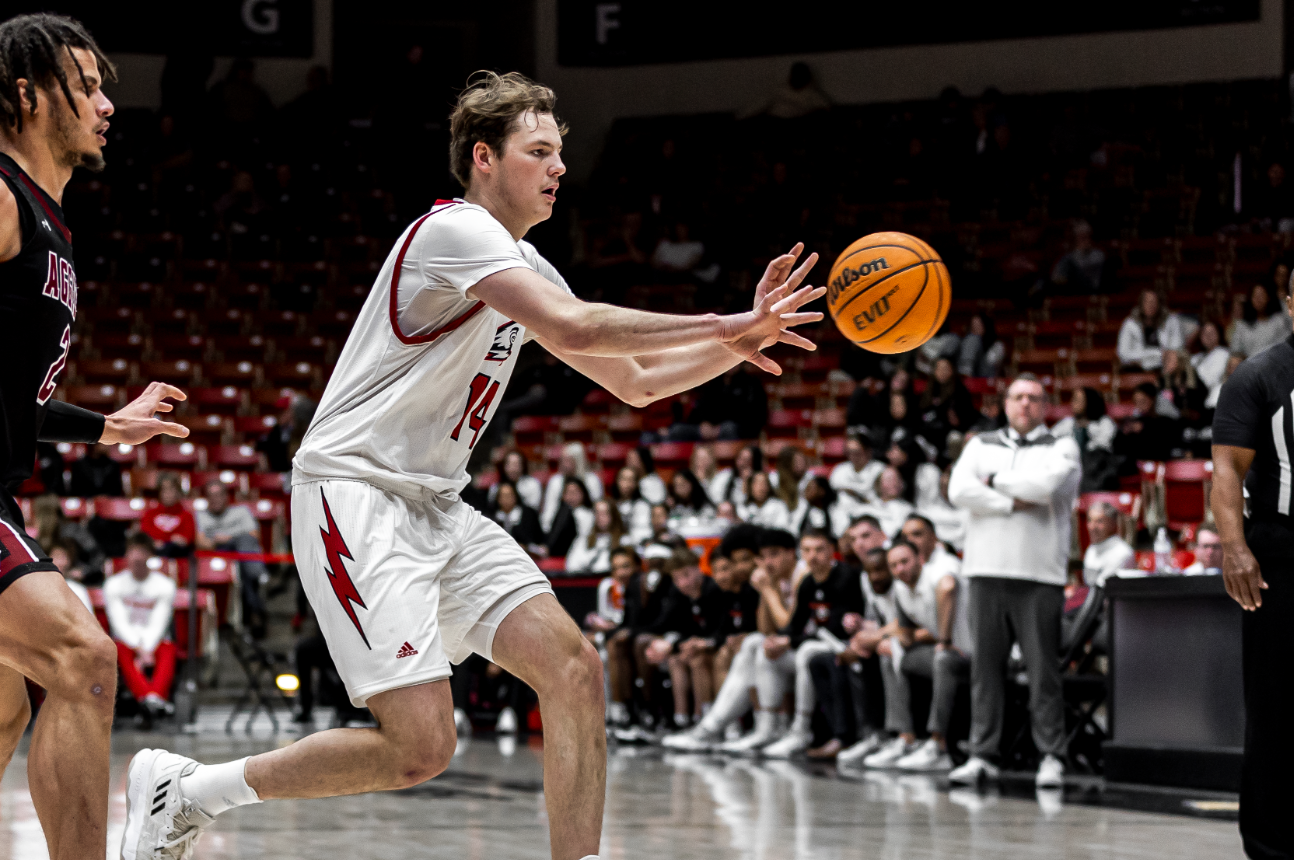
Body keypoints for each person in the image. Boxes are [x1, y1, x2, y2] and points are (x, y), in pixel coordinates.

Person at [125, 70, 825, 860]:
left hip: (436, 503)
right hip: (354, 494)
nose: (560, 166)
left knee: (573, 669)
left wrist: (734, 347)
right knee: (420, 748)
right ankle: (186, 793)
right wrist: (729, 320)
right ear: (484, 158)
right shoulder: (453, 232)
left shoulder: (524, 263)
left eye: (561, 151)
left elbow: (635, 384)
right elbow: (580, 329)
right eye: (539, 151)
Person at [0, 15, 190, 860]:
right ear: (26, 94)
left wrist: (102, 425)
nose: (108, 103)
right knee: (82, 657)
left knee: (10, 697)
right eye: (86, 85)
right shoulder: (0, 195)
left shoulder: (48, 219)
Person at [947, 374, 1081, 789]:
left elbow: (1043, 487)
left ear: (1045, 406)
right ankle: (982, 754)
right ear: (1004, 403)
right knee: (985, 669)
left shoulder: (1063, 444)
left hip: (1040, 573)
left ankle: (1051, 755)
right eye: (1018, 397)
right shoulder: (978, 444)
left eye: (1034, 398)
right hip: (984, 569)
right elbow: (957, 491)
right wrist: (1010, 500)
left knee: (1044, 671)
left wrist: (988, 483)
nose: (1025, 404)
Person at [1211, 307, 1294, 859]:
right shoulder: (1260, 374)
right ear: (1291, 304)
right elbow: (1226, 469)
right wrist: (1235, 547)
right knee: (1276, 707)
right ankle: (1271, 848)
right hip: (1282, 550)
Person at [733, 529, 866, 758]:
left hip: (842, 644)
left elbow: (834, 629)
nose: (812, 556)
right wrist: (778, 639)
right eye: (807, 550)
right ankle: (767, 725)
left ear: (832, 551)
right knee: (762, 644)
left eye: (819, 550)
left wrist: (788, 639)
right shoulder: (808, 582)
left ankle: (801, 729)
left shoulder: (846, 577)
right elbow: (792, 626)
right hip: (817, 643)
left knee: (807, 651)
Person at [668, 527, 798, 752]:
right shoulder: (758, 583)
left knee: (752, 646)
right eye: (736, 562)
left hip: (804, 647)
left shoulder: (798, 576)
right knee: (752, 645)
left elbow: (786, 627)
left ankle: (727, 727)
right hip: (784, 646)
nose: (741, 568)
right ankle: (729, 727)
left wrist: (767, 590)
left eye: (746, 560)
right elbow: (768, 630)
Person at [639, 548, 727, 729]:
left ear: (698, 568)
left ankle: (704, 717)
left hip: (717, 645)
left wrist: (700, 643)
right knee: (676, 659)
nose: (682, 582)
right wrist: (670, 644)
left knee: (696, 659)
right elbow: (676, 628)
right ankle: (681, 719)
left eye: (686, 575)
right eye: (677, 578)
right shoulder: (679, 594)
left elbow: (722, 630)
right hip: (697, 645)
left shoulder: (713, 590)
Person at [103, 533, 177, 725]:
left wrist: (147, 648)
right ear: (126, 555)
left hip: (154, 639)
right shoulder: (113, 584)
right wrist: (139, 648)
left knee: (168, 649)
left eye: (142, 552)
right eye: (133, 552)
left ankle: (150, 699)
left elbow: (160, 622)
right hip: (126, 639)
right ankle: (153, 699)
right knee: (119, 649)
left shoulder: (165, 585)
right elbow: (118, 622)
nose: (137, 557)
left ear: (150, 556)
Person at [195, 479, 269, 635]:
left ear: (226, 496)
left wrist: (227, 538)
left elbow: (254, 535)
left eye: (219, 495)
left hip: (240, 553)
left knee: (243, 548)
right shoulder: (200, 516)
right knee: (242, 554)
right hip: (217, 555)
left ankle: (253, 604)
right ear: (206, 499)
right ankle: (257, 603)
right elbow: (200, 542)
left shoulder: (241, 511)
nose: (215, 499)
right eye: (211, 496)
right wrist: (225, 540)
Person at [1051, 387, 1120, 492]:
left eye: (1078, 400)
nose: (1073, 403)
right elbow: (1049, 439)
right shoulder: (1067, 423)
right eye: (1073, 399)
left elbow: (1103, 446)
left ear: (1089, 402)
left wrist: (1086, 429)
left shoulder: (1104, 423)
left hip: (1096, 470)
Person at [541, 442, 603, 533]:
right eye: (562, 460)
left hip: (587, 527)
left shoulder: (592, 481)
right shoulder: (555, 481)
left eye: (567, 460)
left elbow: (596, 509)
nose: (563, 464)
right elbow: (549, 510)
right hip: (560, 529)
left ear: (578, 461)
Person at [1117, 289, 1184, 371]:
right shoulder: (1130, 324)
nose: (1151, 305)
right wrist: (1156, 353)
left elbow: (1177, 347)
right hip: (1138, 367)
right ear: (1141, 304)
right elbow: (1123, 353)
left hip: (1165, 366)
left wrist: (1166, 356)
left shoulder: (1171, 321)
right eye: (1147, 302)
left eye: (1154, 302)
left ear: (1160, 304)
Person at [139, 472, 196, 559]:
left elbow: (187, 538)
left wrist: (165, 540)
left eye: (171, 489)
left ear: (178, 492)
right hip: (155, 554)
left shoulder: (186, 516)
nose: (167, 494)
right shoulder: (150, 515)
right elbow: (146, 537)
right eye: (164, 490)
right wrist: (162, 541)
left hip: (177, 555)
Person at [566, 498, 626, 574]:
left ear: (613, 515)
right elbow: (571, 567)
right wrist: (595, 552)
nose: (600, 517)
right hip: (587, 582)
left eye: (605, 513)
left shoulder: (624, 540)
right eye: (597, 513)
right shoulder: (584, 539)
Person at [1231, 282, 1290, 359]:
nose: (1258, 299)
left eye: (1261, 295)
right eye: (1255, 296)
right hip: (1248, 366)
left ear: (1268, 298)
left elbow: (1285, 348)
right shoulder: (1242, 325)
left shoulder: (1279, 321)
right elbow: (1235, 351)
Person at [1081, 502, 1134, 586]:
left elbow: (1102, 589)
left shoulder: (1122, 553)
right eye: (1090, 520)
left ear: (1112, 524)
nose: (1092, 527)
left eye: (1099, 521)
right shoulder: (1091, 549)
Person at [1049, 219, 1107, 295]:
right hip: (1072, 287)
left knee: (1068, 263)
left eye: (1087, 237)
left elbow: (1084, 269)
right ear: (1076, 239)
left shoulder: (1098, 254)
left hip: (1090, 288)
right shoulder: (1070, 255)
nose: (1086, 240)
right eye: (1082, 238)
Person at [490, 480, 546, 556]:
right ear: (498, 499)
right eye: (503, 496)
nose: (506, 499)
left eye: (509, 495)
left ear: (515, 496)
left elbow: (536, 539)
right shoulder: (492, 518)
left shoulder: (528, 514)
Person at [545, 477, 594, 559]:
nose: (571, 496)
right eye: (568, 493)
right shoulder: (561, 513)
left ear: (584, 494)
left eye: (575, 492)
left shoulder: (588, 514)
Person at [608, 465, 653, 545]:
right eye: (623, 479)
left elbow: (642, 533)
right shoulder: (609, 504)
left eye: (631, 480)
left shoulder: (642, 506)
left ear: (636, 484)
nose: (626, 484)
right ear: (617, 481)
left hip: (634, 546)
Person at [1191, 320, 1231, 409]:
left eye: (1212, 333)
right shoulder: (1197, 357)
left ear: (1219, 335)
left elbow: (1210, 381)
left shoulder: (1223, 353)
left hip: (1212, 400)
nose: (1208, 336)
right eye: (1205, 333)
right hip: (1196, 397)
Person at [956, 313, 1005, 379]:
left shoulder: (997, 345)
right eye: (973, 327)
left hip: (986, 377)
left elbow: (992, 363)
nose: (975, 330)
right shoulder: (969, 341)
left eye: (978, 326)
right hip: (968, 374)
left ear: (986, 326)